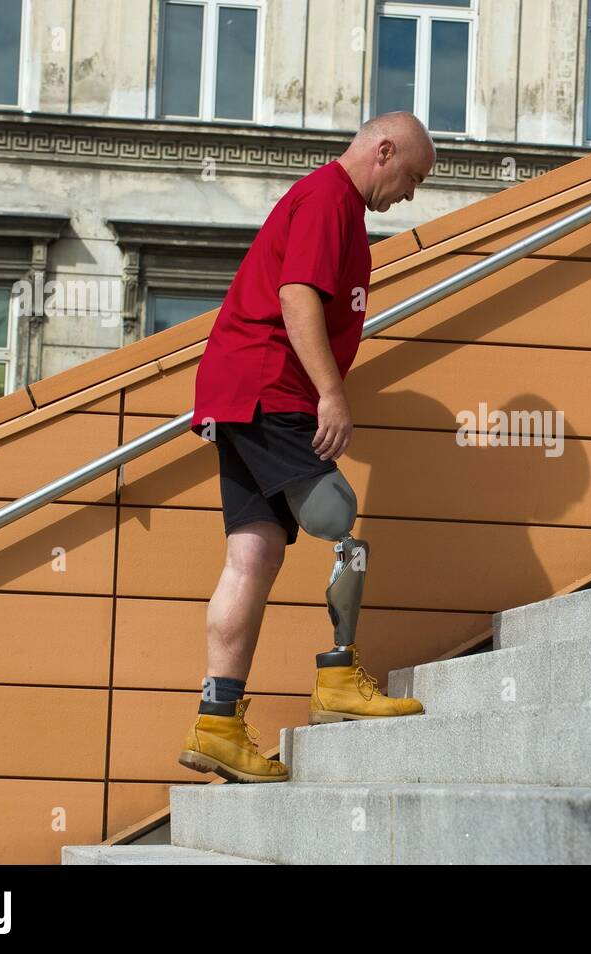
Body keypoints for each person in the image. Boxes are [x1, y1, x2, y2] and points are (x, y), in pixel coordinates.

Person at [178, 112, 438, 783]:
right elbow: (297, 297)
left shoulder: (336, 207)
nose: (410, 194)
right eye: (411, 176)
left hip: (237, 393)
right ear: (383, 151)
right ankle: (337, 678)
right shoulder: (331, 198)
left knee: (253, 555)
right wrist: (330, 392)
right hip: (270, 386)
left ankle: (217, 722)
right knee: (338, 518)